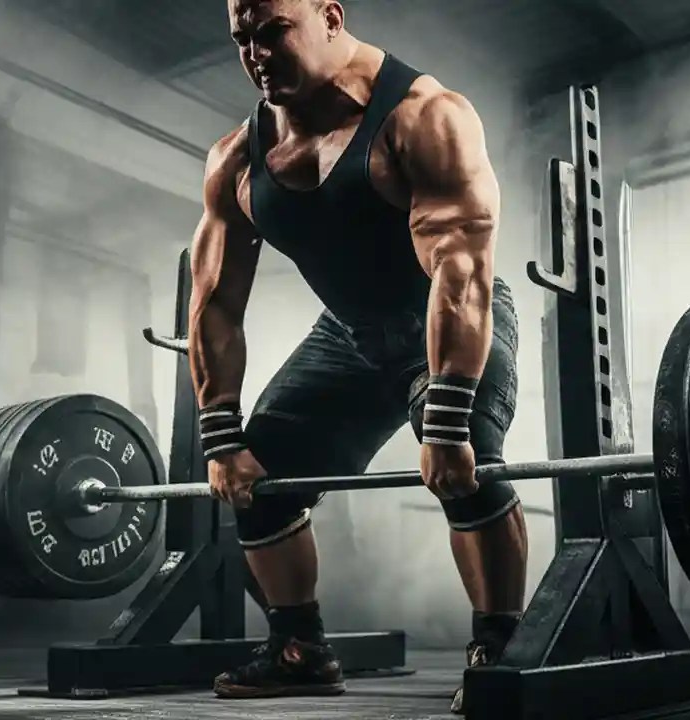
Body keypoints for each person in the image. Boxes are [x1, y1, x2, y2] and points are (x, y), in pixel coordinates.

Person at [188, 0, 529, 713]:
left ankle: (501, 647)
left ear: (330, 16)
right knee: (257, 474)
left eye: (273, 30)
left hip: (445, 315)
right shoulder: (237, 158)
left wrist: (446, 420)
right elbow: (216, 302)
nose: (255, 52)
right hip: (345, 336)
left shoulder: (423, 116)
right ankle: (300, 649)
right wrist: (220, 434)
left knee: (468, 463)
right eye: (241, 38)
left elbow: (460, 272)